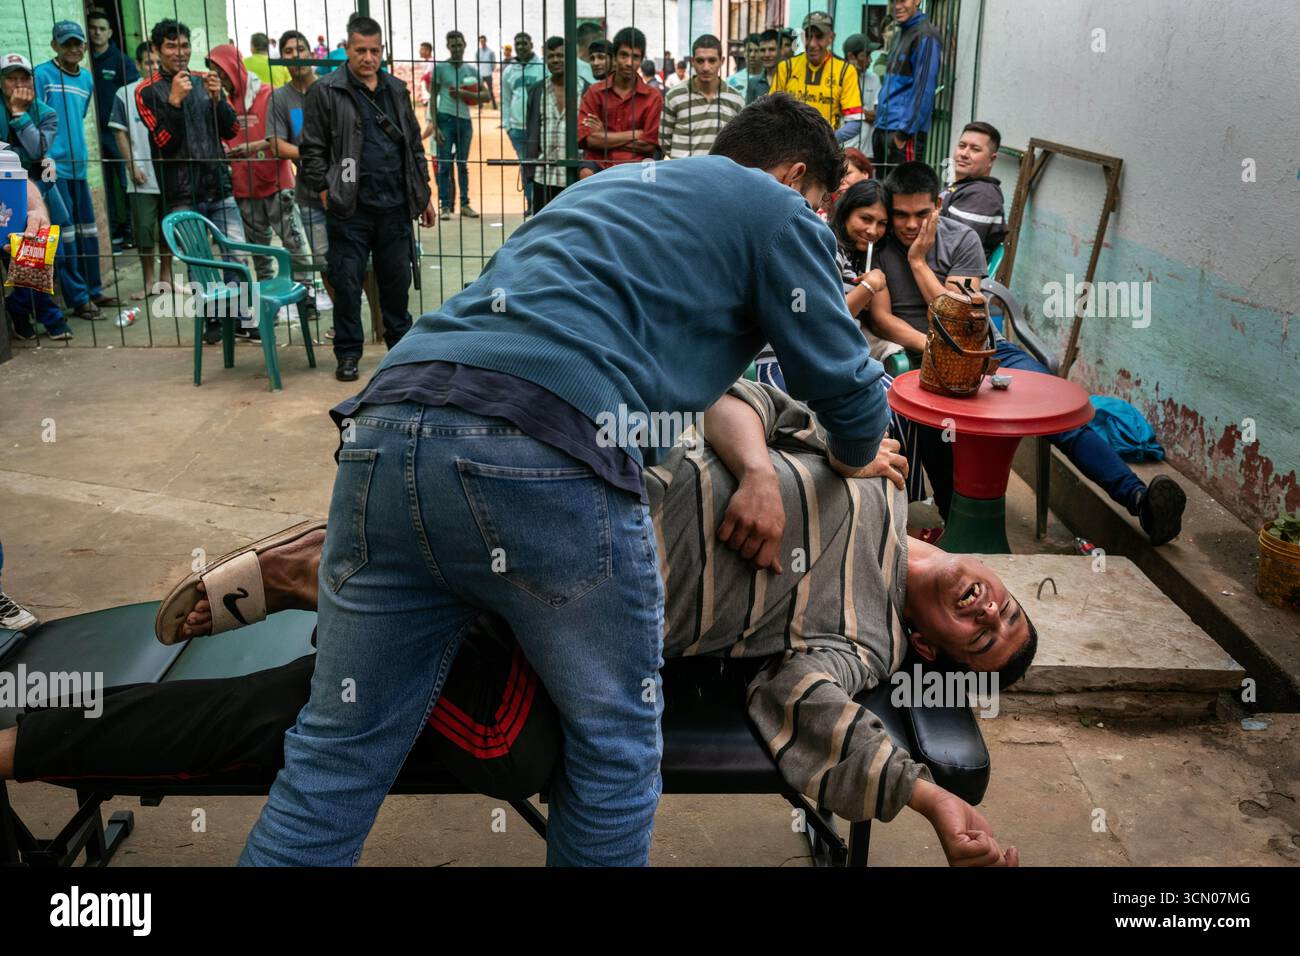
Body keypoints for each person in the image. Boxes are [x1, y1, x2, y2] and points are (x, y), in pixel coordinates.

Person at [235, 92, 892, 868]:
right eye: (821, 202)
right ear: (794, 175)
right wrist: (853, 455)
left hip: (386, 426)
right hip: (542, 449)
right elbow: (848, 389)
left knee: (336, 755)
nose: (817, 220)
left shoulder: (607, 189)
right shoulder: (777, 207)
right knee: (613, 748)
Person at [9, 381, 1031, 867]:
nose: (988, 606)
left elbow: (809, 707)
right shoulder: (874, 463)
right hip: (578, 476)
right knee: (351, 706)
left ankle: (337, 564)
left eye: (985, 638)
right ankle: (347, 560)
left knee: (343, 713)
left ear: (937, 653)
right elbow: (739, 394)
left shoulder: (863, 642)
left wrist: (934, 804)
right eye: (1005, 600)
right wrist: (762, 468)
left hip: (562, 608)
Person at [870, 162, 1186, 544]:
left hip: (987, 351)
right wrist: (939, 352)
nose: (909, 225)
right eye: (901, 215)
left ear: (938, 204)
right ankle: (961, 529)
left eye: (921, 214)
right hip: (923, 363)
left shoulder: (962, 239)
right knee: (942, 428)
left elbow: (959, 316)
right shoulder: (879, 245)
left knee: (1053, 408)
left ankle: (1138, 498)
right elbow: (885, 322)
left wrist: (919, 262)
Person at [297, 16, 436, 383]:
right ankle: (347, 353)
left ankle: (400, 349)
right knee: (346, 282)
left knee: (395, 280)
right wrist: (329, 192)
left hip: (393, 204)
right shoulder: (327, 91)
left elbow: (412, 145)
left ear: (382, 51)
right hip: (350, 205)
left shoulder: (395, 89)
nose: (368, 58)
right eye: (361, 50)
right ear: (347, 48)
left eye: (375, 51)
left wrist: (423, 194)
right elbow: (311, 150)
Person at [135, 18, 250, 345]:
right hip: (182, 194)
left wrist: (218, 101)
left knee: (236, 255)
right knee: (200, 264)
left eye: (184, 45)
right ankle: (213, 319)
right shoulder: (146, 91)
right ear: (157, 50)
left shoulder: (204, 81)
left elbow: (230, 132)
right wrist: (173, 102)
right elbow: (164, 143)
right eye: (171, 46)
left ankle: (240, 317)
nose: (180, 52)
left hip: (219, 186)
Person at [206, 45, 313, 324]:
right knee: (259, 251)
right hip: (243, 187)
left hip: (277, 184)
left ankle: (308, 295)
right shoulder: (221, 101)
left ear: (233, 67)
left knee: (294, 243)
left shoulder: (267, 95)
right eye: (215, 73)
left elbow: (281, 136)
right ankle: (269, 305)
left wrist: (247, 148)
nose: (221, 79)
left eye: (223, 72)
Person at [35, 20, 117, 318]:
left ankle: (94, 290)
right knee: (66, 235)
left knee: (88, 233)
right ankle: (78, 298)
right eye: (66, 43)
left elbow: (79, 117)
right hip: (53, 169)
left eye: (77, 43)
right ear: (55, 45)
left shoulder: (86, 79)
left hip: (80, 166)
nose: (73, 48)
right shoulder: (41, 75)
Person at [0, 54, 74, 340]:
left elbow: (36, 151)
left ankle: (18, 308)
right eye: (11, 78)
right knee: (25, 254)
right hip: (5, 189)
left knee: (57, 255)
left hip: (39, 186)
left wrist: (19, 115)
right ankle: (51, 318)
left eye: (24, 77)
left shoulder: (45, 112)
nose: (19, 84)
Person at [268, 30, 334, 327]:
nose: (297, 55)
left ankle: (350, 318)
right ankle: (341, 319)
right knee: (324, 260)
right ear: (283, 59)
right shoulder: (280, 99)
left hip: (342, 190)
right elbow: (277, 145)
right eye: (289, 51)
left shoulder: (331, 90)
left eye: (301, 48)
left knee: (354, 258)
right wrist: (313, 156)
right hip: (308, 192)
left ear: (312, 53)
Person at [108, 42, 173, 303]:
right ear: (137, 64)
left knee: (168, 230)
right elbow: (119, 132)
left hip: (170, 177)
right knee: (145, 232)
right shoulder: (125, 94)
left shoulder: (171, 90)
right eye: (148, 62)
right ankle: (148, 281)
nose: (154, 67)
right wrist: (131, 165)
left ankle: (166, 278)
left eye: (158, 62)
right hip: (141, 176)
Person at [86, 9, 138, 254]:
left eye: (101, 28)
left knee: (125, 180)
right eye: (93, 27)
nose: (97, 32)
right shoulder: (86, 61)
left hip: (117, 133)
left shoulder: (121, 61)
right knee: (106, 185)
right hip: (94, 135)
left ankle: (131, 231)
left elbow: (134, 95)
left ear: (110, 32)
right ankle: (114, 232)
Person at [771, 12, 863, 145]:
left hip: (825, 149)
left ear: (831, 38)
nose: (812, 43)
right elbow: (772, 110)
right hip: (788, 146)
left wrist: (828, 141)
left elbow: (855, 121)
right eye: (808, 36)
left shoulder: (845, 71)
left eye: (819, 37)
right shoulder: (786, 67)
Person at [577, 27, 661, 173]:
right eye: (623, 55)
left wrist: (604, 137)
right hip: (600, 163)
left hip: (636, 166)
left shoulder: (653, 97)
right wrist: (634, 134)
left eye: (635, 57)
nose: (629, 63)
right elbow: (589, 140)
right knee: (586, 173)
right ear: (614, 57)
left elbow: (649, 145)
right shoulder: (594, 93)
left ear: (641, 60)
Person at [426, 30, 489, 219]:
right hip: (445, 118)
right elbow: (432, 97)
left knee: (462, 164)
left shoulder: (471, 70)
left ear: (465, 45)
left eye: (459, 45)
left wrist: (465, 94)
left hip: (464, 121)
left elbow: (485, 96)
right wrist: (435, 126)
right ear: (448, 47)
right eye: (453, 45)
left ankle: (464, 204)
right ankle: (445, 206)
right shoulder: (440, 68)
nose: (456, 48)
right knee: (445, 164)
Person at [524, 36, 589, 214]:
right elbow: (531, 132)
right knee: (542, 227)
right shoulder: (537, 91)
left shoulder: (586, 90)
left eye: (560, 55)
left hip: (577, 175)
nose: (555, 60)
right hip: (544, 175)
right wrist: (528, 168)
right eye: (550, 56)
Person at [871, 0, 941, 167]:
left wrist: (904, 133)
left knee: (905, 190)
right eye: (893, 1)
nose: (897, 6)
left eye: (903, 0)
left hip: (903, 133)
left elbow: (924, 88)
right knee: (882, 189)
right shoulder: (900, 33)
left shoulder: (926, 36)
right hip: (883, 127)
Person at [659, 35, 744, 159]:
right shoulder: (674, 96)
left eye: (712, 60)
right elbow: (664, 142)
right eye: (700, 61)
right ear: (692, 62)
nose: (705, 67)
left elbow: (739, 142)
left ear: (722, 61)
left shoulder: (736, 99)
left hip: (720, 173)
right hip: (683, 173)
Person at [941, 121, 1007, 259]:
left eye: (975, 149)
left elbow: (951, 249)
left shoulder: (982, 196)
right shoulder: (962, 186)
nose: (964, 154)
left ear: (991, 159)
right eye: (962, 146)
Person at [500, 32, 545, 216]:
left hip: (538, 127)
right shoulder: (509, 71)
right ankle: (531, 203)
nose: (521, 46)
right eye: (517, 43)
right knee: (526, 167)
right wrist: (507, 125)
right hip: (517, 127)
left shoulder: (542, 67)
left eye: (524, 43)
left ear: (531, 44)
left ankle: (541, 203)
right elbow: (505, 99)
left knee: (541, 165)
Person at [841, 32, 881, 153]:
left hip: (866, 151)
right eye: (865, 55)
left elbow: (878, 116)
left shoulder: (873, 78)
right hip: (842, 148)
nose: (870, 60)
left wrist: (853, 111)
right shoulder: (838, 78)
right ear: (851, 57)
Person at [745, 28, 780, 105]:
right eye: (763, 50)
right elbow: (749, 114)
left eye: (771, 49)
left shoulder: (790, 80)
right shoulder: (753, 83)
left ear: (780, 50)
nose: (767, 55)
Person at [474, 34, 499, 109]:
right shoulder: (477, 52)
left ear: (486, 41)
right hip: (480, 74)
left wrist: (491, 70)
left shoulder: (491, 52)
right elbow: (477, 62)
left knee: (490, 90)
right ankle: (480, 106)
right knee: (479, 90)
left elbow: (493, 62)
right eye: (480, 41)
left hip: (488, 74)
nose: (482, 42)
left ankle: (494, 106)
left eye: (483, 41)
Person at [416, 41, 433, 106]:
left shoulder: (431, 63)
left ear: (428, 51)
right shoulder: (428, 62)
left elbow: (428, 78)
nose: (419, 51)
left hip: (429, 97)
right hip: (427, 97)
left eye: (421, 49)